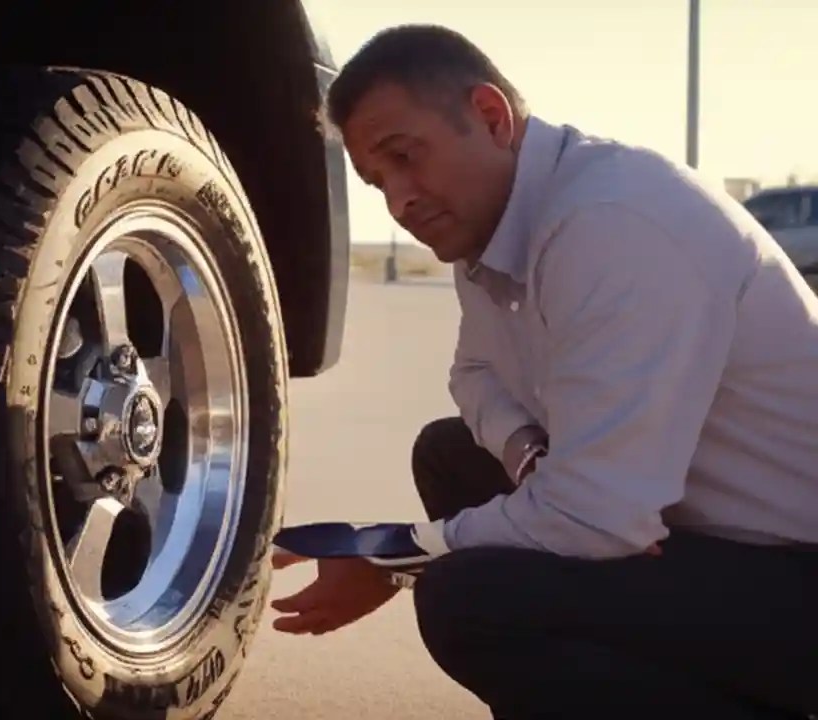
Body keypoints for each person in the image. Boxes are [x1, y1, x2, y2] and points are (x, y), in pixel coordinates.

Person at [269, 23, 818, 720]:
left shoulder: (615, 221)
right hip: (694, 534)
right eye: (378, 182)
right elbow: (474, 375)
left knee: (468, 599)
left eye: (405, 158)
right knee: (449, 455)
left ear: (491, 116)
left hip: (798, 572)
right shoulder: (489, 229)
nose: (398, 201)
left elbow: (596, 515)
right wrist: (530, 459)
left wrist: (393, 556)